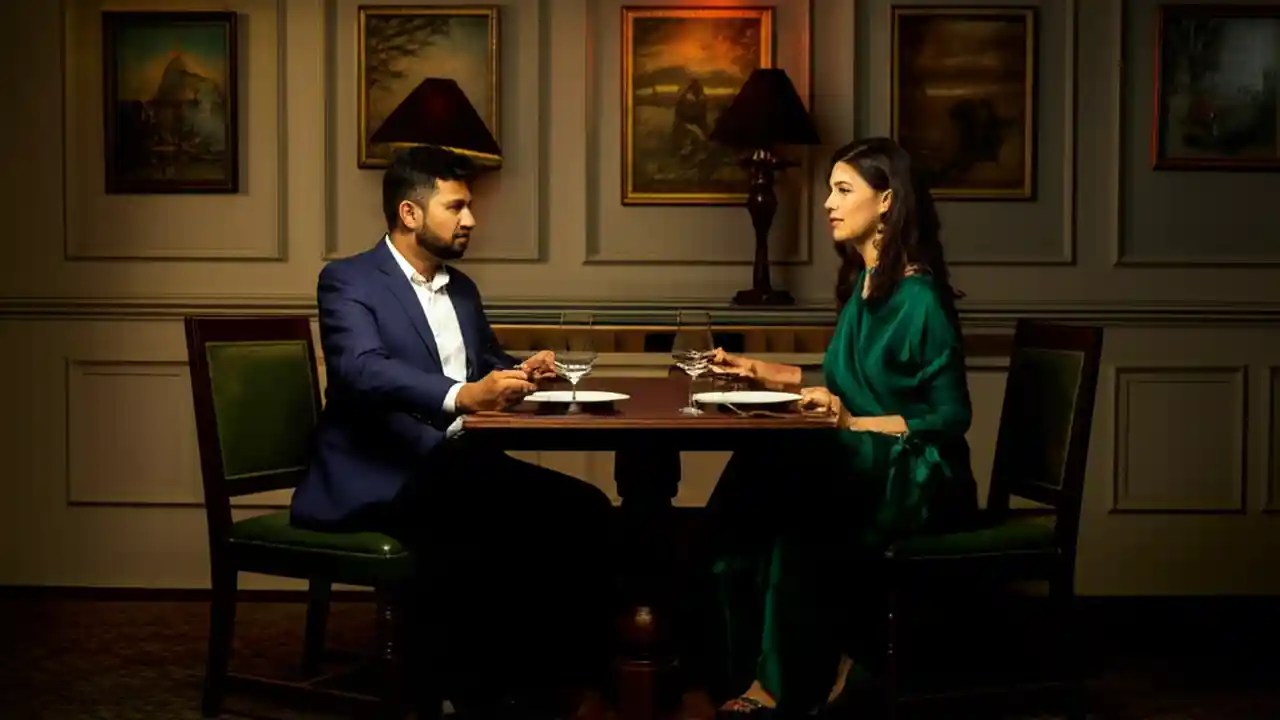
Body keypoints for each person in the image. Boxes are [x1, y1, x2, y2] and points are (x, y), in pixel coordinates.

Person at [290, 146, 614, 720]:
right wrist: (462, 396)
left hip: (456, 463)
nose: (471, 220)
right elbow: (360, 369)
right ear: (411, 214)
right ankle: (477, 692)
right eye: (456, 206)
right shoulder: (348, 280)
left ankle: (549, 683)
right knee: (492, 521)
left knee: (584, 509)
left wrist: (522, 369)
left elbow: (482, 359)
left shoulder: (461, 288)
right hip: (380, 471)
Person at [678, 137, 979, 719]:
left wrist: (852, 422)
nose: (827, 204)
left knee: (792, 495)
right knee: (761, 470)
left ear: (887, 200)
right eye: (829, 191)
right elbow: (850, 382)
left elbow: (949, 418)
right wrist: (766, 371)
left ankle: (778, 683)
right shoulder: (863, 287)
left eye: (843, 190)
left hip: (917, 471)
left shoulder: (920, 298)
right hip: (861, 454)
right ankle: (716, 658)